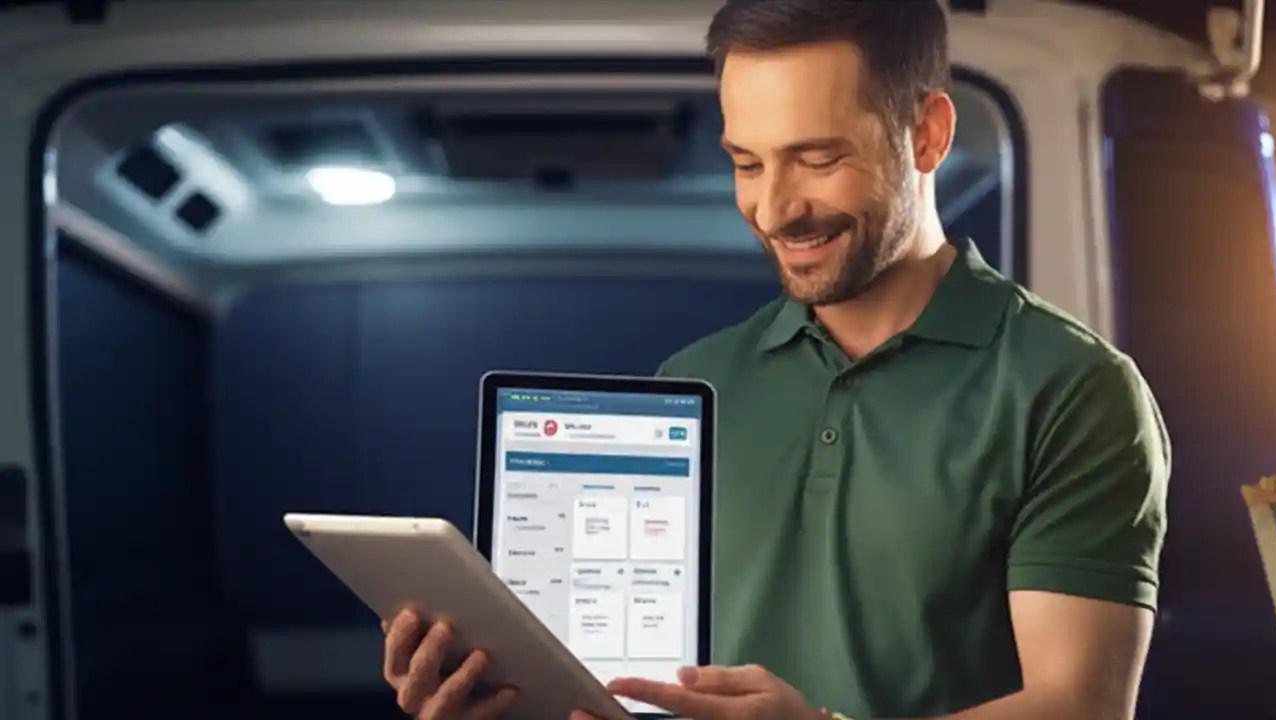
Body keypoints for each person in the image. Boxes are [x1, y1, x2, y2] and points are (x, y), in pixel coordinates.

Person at [381, 1, 1171, 718]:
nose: (774, 208)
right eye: (747, 163)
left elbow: (1082, 706)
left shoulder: (1072, 389)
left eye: (818, 159)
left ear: (927, 133)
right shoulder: (692, 384)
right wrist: (497, 695)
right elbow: (625, 691)